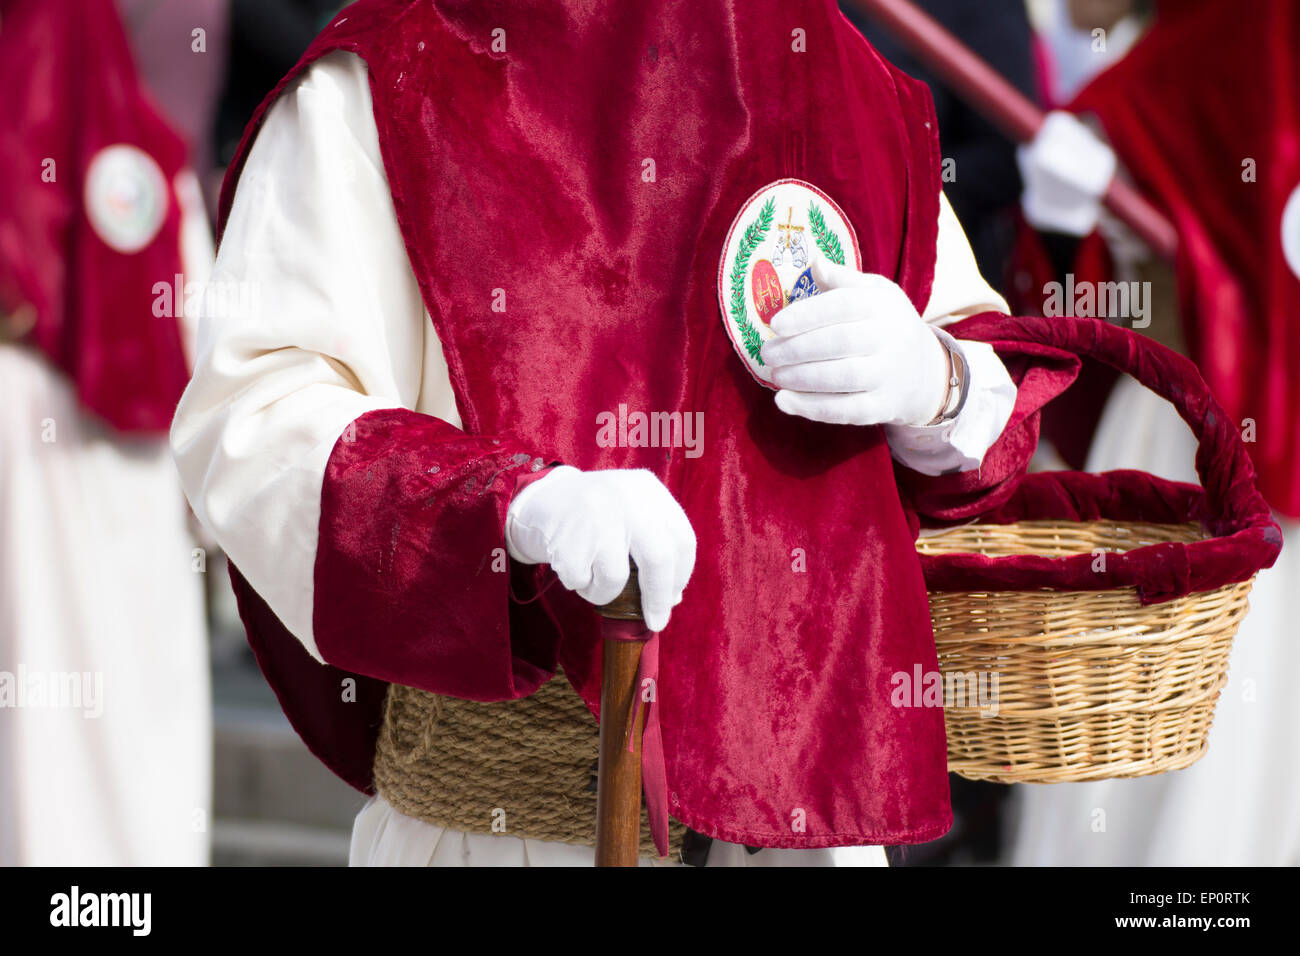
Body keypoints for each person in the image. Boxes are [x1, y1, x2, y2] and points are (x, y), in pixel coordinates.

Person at [172, 0, 1072, 866]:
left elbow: (984, 396)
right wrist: (511, 511)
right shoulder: (395, 68)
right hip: (517, 840)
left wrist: (938, 381)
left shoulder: (849, 79)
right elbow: (256, 421)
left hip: (816, 839)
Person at [0, 0, 211, 865]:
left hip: (43, 444)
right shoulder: (153, 168)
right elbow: (205, 339)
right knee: (130, 704)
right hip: (127, 465)